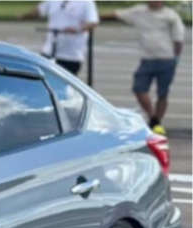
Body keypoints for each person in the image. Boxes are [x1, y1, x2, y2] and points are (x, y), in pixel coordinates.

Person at [106, 1, 185, 135]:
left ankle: (157, 122)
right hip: (147, 59)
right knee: (139, 88)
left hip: (166, 58)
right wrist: (96, 17)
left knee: (163, 93)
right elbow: (118, 14)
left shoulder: (170, 16)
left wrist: (176, 57)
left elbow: (178, 38)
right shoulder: (139, 11)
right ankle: (153, 117)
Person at [21, 0, 100, 75]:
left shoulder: (86, 2)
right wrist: (24, 16)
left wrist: (77, 29)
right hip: (49, 52)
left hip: (71, 56)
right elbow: (40, 10)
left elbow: (93, 22)